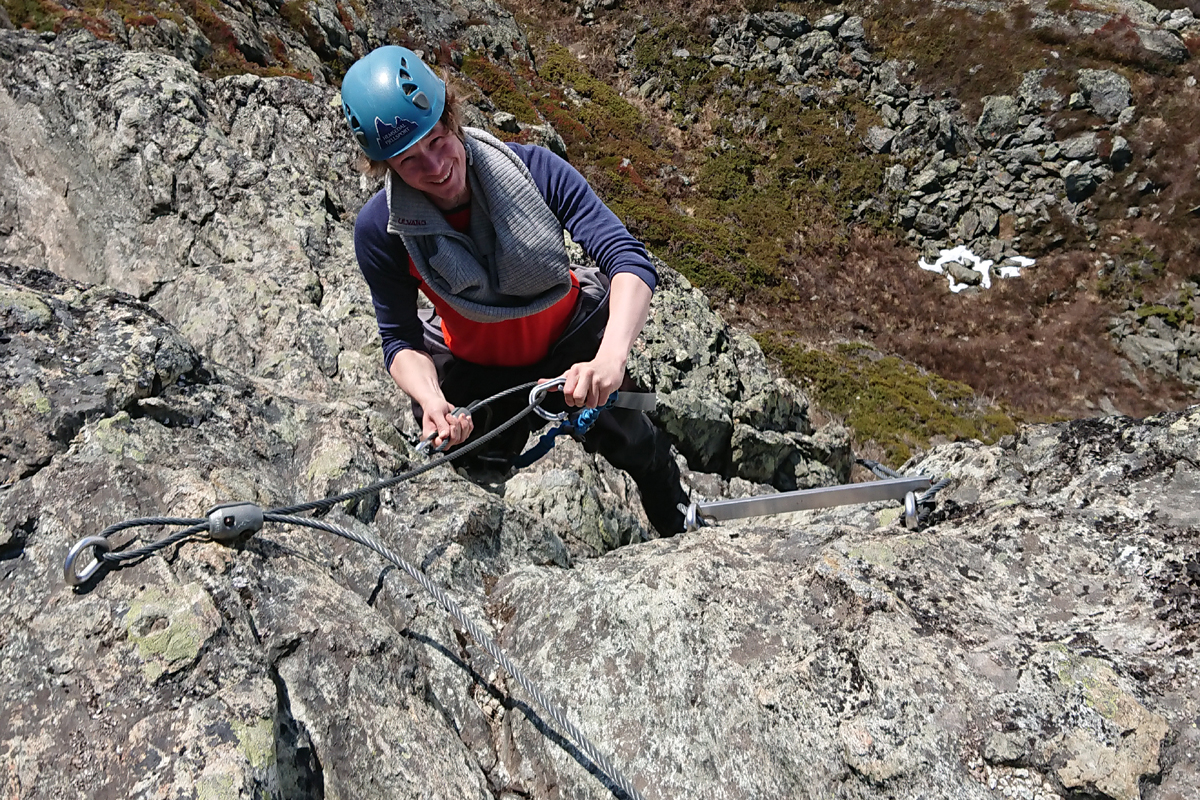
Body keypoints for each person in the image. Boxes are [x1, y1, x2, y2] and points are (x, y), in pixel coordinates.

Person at [341, 45, 689, 536]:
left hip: (569, 337)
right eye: (409, 160)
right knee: (466, 453)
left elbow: (626, 259)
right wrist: (433, 400)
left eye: (438, 141)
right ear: (387, 168)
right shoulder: (383, 229)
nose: (435, 167)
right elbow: (400, 340)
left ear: (451, 118)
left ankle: (678, 520)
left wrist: (610, 358)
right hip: (478, 367)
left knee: (638, 440)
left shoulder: (534, 170)